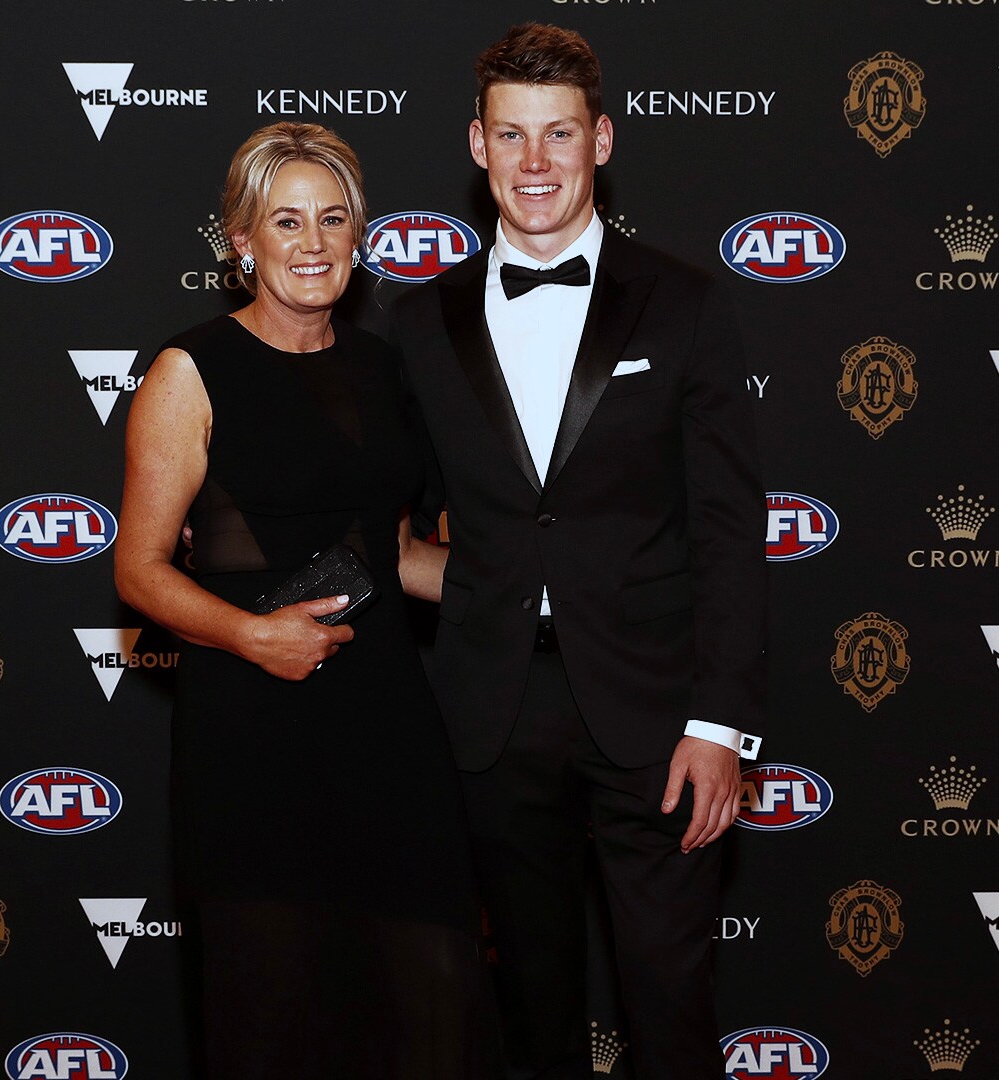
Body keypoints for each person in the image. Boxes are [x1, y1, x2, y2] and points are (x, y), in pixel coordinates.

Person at [390, 23, 767, 1079]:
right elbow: (385, 509)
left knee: (670, 1002)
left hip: (659, 716)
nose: (537, 163)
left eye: (559, 135)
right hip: (494, 716)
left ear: (602, 139)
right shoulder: (421, 324)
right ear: (477, 143)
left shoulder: (686, 303)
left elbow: (733, 532)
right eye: (513, 136)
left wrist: (720, 726)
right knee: (527, 1011)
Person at [115, 121, 496, 1080]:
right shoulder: (188, 372)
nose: (314, 242)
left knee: (432, 1011)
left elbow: (399, 551)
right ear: (242, 240)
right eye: (286, 221)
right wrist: (251, 636)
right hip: (255, 737)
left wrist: (541, 585)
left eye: (334, 218)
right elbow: (141, 569)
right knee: (272, 1023)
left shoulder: (382, 368)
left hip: (391, 726)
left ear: (360, 232)